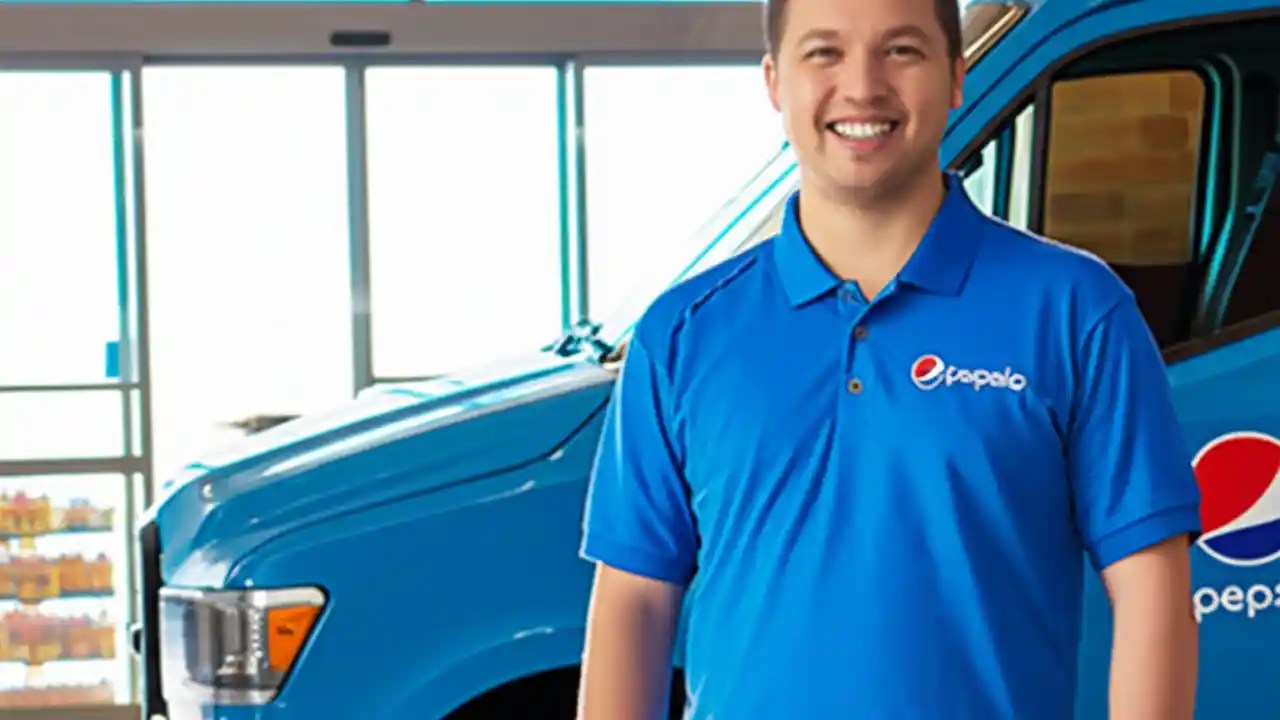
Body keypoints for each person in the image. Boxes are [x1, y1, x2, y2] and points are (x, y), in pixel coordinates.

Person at [575, 0, 1202, 716]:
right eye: (824, 53)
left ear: (957, 76)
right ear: (775, 81)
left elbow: (1152, 588)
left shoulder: (1075, 310)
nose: (863, 86)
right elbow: (635, 598)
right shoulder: (683, 332)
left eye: (901, 50)